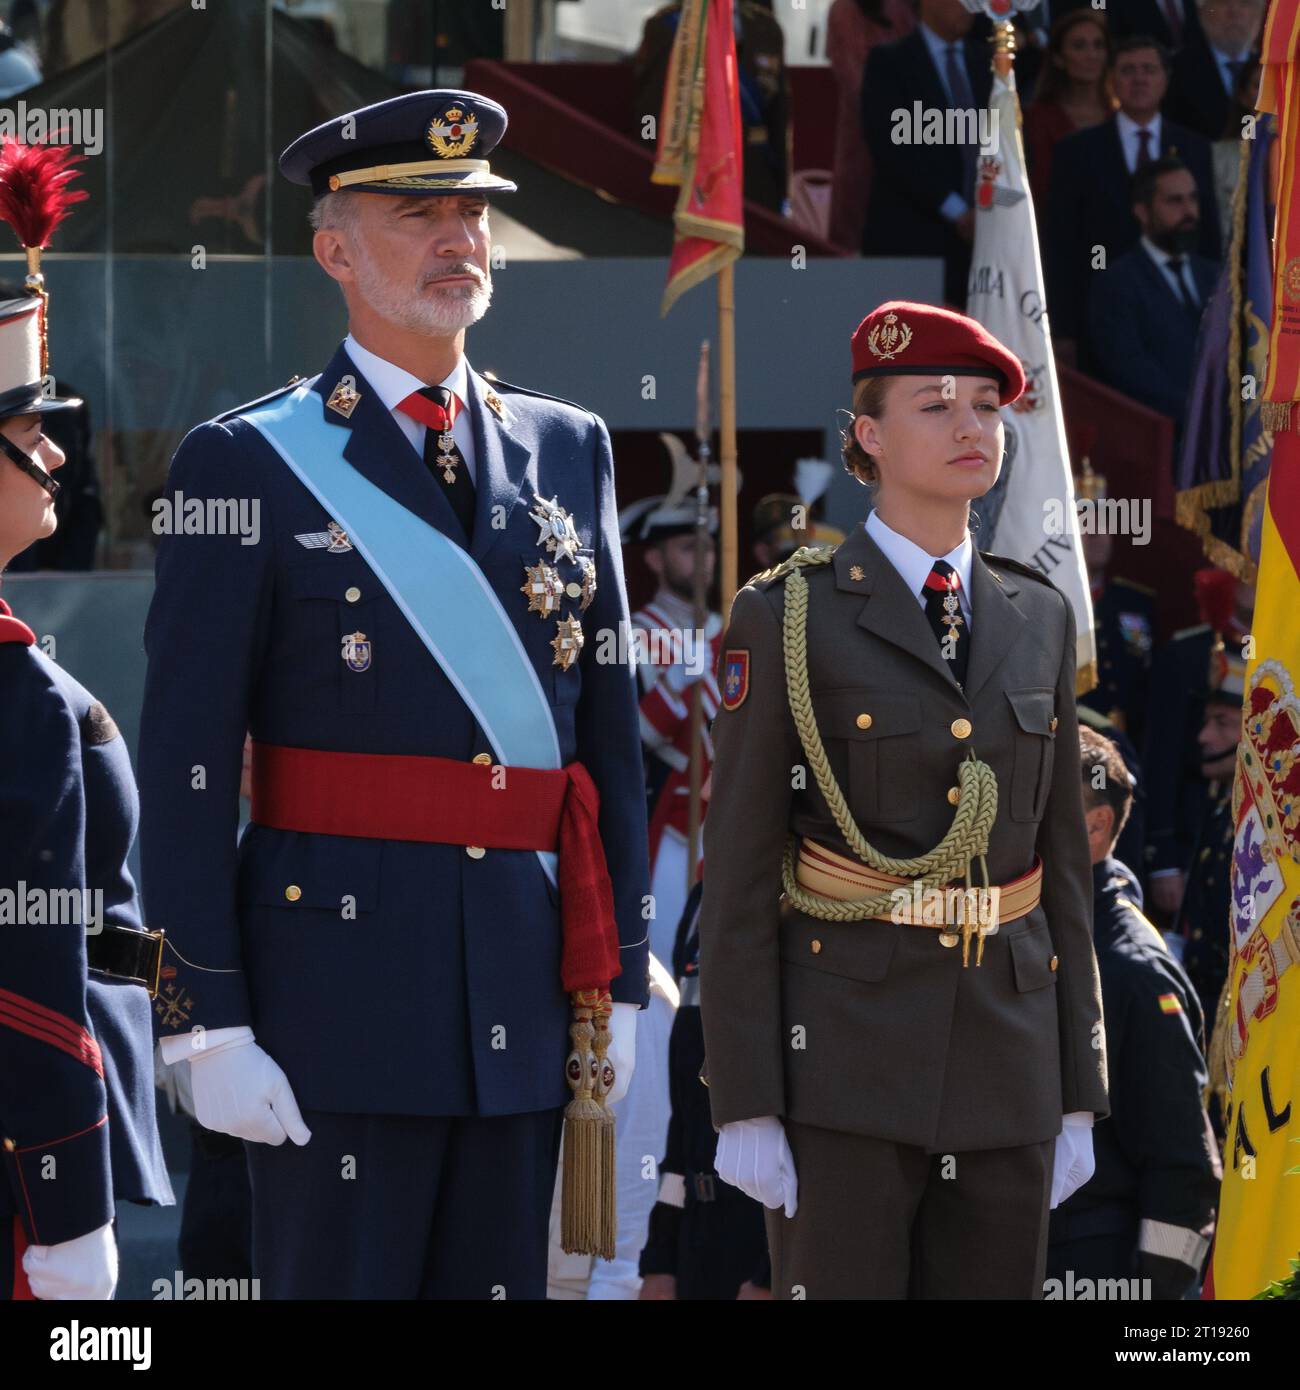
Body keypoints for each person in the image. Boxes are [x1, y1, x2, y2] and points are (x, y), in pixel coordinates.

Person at [138, 89, 651, 1300]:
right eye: (419, 213)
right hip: (334, 1006)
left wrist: (616, 977)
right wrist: (201, 1018)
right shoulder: (249, 460)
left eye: (472, 213)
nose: (458, 239)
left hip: (524, 1000)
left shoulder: (566, 445)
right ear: (334, 250)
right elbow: (188, 763)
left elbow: (612, 743)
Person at [700, 300, 1109, 1300]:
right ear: (868, 439)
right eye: (937, 406)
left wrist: (1077, 1089)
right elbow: (743, 871)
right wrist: (745, 1099)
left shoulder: (1038, 613)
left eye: (986, 406)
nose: (972, 427)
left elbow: (1062, 865)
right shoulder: (787, 612)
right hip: (842, 1066)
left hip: (1007, 1068)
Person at [0, 290, 173, 1301]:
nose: (57, 454)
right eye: (29, 430)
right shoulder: (18, 696)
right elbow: (30, 979)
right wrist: (65, 1196)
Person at [1048, 728, 1219, 1300]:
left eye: (1041, 799)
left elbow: (1183, 1167)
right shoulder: (1038, 936)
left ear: (1096, 826)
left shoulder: (1131, 969)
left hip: (1095, 1268)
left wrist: (1155, 1304)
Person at [1045, 35, 1219, 361]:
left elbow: (1206, 234)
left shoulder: (1196, 148)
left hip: (1182, 318)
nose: (1139, 79)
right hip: (1099, 316)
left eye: (1149, 69)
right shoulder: (1075, 151)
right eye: (1128, 70)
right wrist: (1063, 330)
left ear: (1166, 80)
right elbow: (1061, 246)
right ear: (1110, 80)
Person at [639, 882, 770, 1300]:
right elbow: (683, 1120)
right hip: (695, 1243)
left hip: (759, 1243)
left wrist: (769, 1274)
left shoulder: (796, 891)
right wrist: (659, 1259)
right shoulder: (703, 900)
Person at [623, 488, 721, 963]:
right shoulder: (636, 634)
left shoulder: (737, 627)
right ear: (656, 559)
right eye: (688, 548)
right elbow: (631, 738)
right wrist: (678, 683)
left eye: (708, 548)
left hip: (731, 824)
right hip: (672, 829)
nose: (703, 561)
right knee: (661, 970)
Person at [860, 0, 994, 307]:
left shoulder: (988, 64)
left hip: (982, 249)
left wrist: (988, 211)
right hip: (912, 243)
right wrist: (958, 211)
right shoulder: (889, 63)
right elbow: (891, 150)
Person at [1086, 156, 1219, 428]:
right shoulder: (1117, 283)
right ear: (1142, 211)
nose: (1189, 211)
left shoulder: (1217, 276)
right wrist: (1196, 412)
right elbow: (1129, 370)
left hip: (1223, 437)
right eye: (1174, 201)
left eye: (1193, 199)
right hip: (1162, 437)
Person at [826, 0, 916, 254]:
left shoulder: (904, 9)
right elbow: (859, 89)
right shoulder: (845, 11)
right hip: (863, 151)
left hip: (907, 151)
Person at [1023, 9, 1114, 208]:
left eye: (1099, 45)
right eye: (1079, 46)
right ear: (1058, 58)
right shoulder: (1036, 119)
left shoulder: (1119, 115)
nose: (1091, 55)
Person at [1164, 0, 1266, 143]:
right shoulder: (1174, 69)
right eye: (1222, 3)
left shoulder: (1274, 69)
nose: (1234, 13)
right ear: (1201, 12)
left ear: (1260, 14)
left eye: (1245, 3)